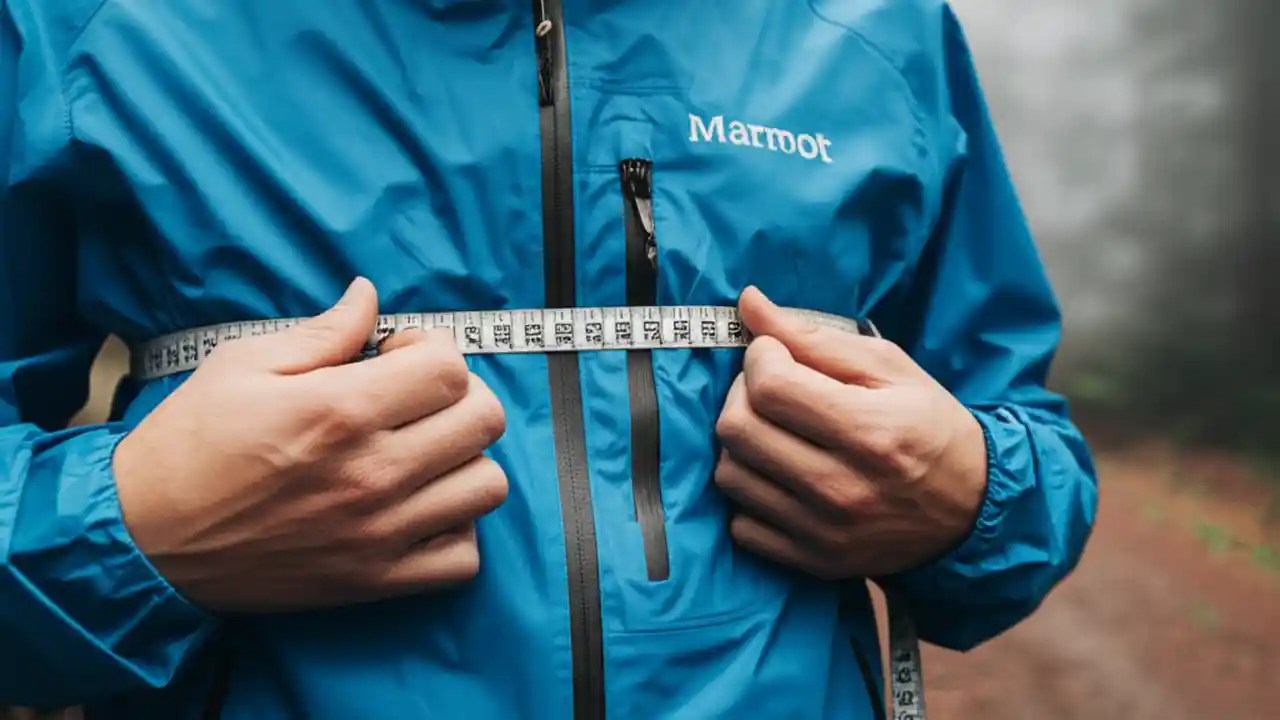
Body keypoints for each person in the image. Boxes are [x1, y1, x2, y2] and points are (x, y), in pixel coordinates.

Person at [0, 1, 1098, 718]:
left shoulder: (880, 31)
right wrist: (125, 529)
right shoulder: (77, 27)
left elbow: (1020, 433)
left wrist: (967, 496)